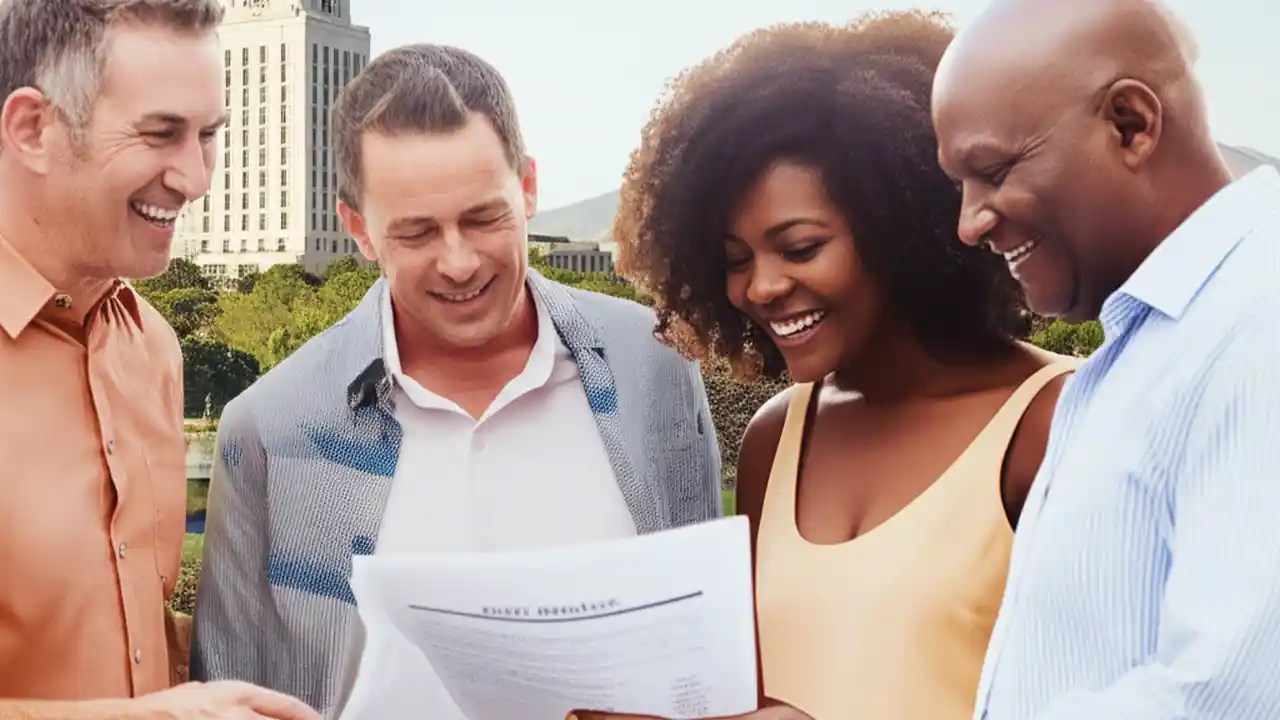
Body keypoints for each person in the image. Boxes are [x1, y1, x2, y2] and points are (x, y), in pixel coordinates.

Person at [190, 43, 724, 718]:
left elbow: (705, 653)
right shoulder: (269, 429)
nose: (460, 262)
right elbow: (230, 695)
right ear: (358, 228)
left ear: (527, 188)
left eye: (484, 217)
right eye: (416, 233)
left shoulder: (657, 366)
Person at [573, 12, 1075, 720]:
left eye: (800, 247)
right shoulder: (774, 443)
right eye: (735, 260)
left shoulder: (1054, 423)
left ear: (902, 228)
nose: (760, 287)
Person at [932, 0, 1280, 717]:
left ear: (1131, 124)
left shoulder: (1260, 315)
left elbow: (1227, 697)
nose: (969, 223)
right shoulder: (1159, 336)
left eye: (993, 171)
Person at [0, 0, 317, 718]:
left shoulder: (153, 348)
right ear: (33, 130)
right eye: (160, 134)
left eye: (208, 135)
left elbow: (119, 636)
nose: (197, 177)